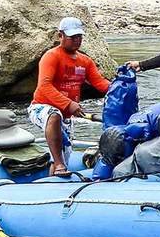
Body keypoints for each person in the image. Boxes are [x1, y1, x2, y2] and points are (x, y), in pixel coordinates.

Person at [29, 16, 110, 177]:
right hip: (40, 108)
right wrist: (69, 104)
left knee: (64, 160)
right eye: (72, 37)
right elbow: (44, 86)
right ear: (61, 36)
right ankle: (58, 164)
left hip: (66, 117)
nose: (77, 40)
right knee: (54, 115)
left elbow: (100, 83)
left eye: (79, 37)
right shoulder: (51, 56)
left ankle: (56, 172)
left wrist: (120, 85)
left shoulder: (85, 61)